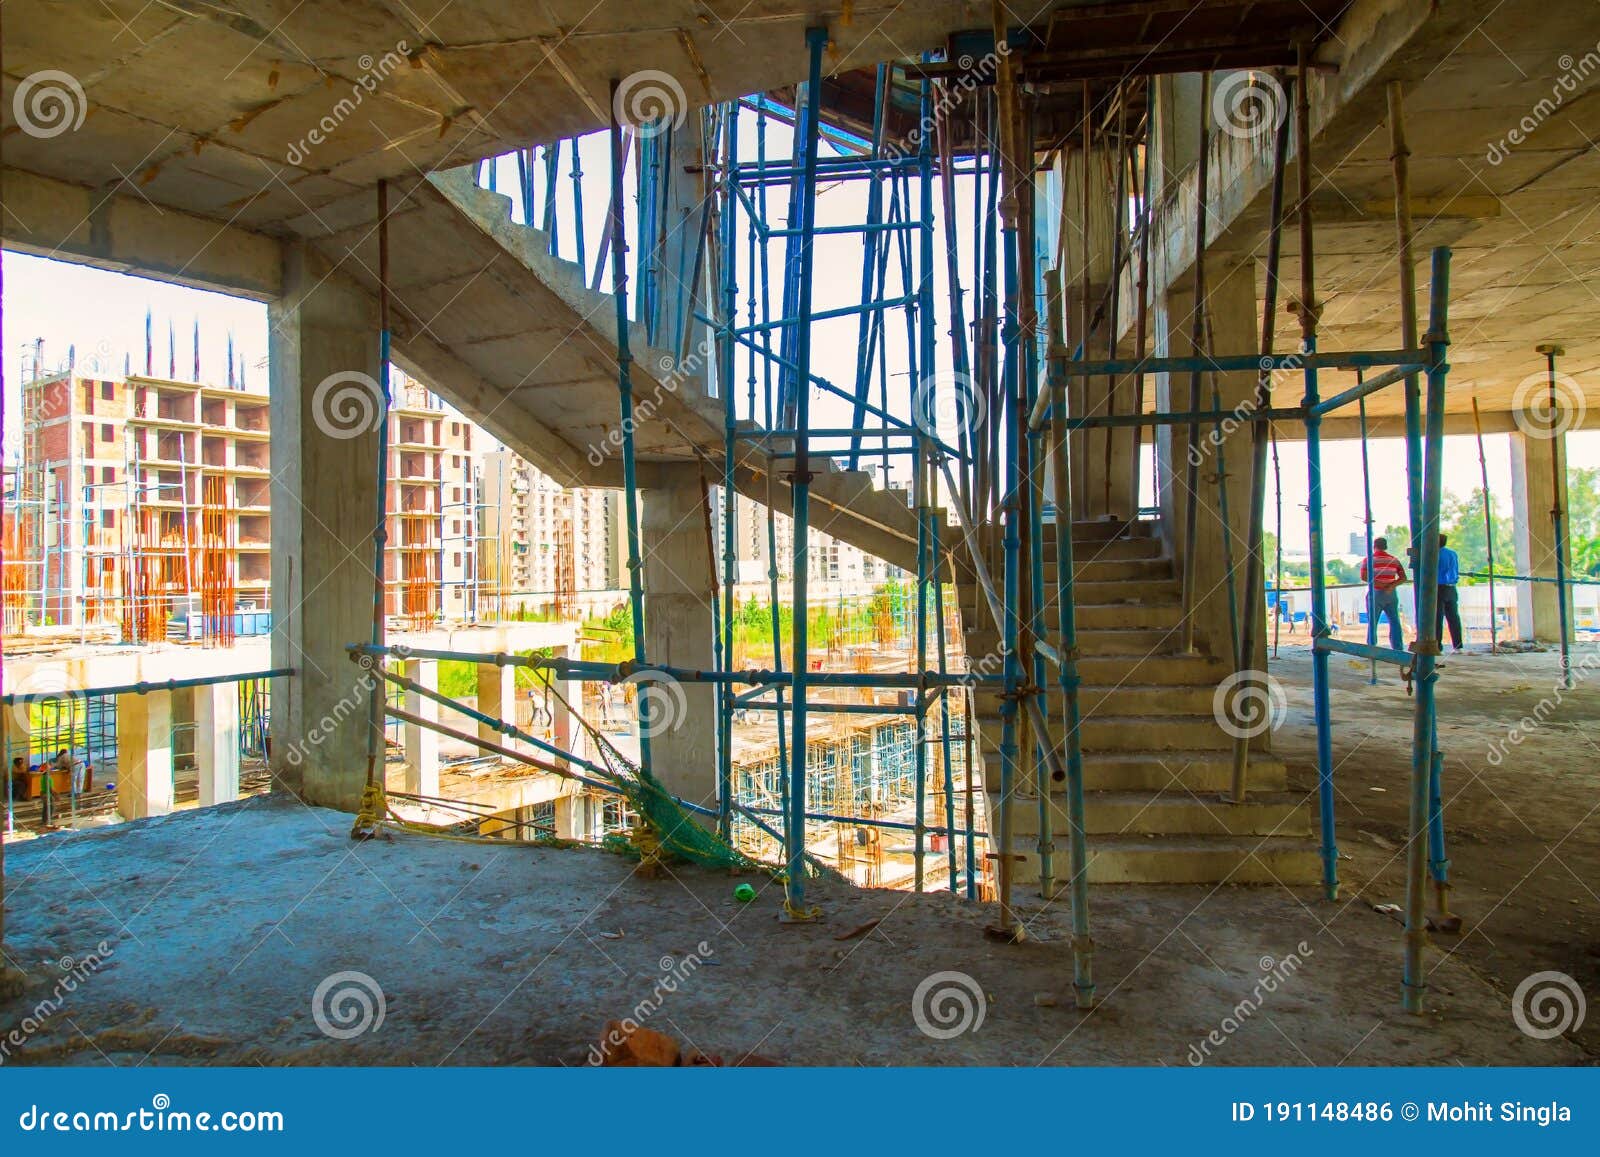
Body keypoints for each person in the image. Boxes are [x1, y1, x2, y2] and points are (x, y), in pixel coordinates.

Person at [1359, 536, 1408, 651]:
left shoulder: (1368, 560)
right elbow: (1403, 577)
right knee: (1394, 620)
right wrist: (1391, 586)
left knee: (1373, 621)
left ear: (1374, 546)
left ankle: (1371, 647)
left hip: (1375, 592)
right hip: (1391, 593)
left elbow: (1364, 576)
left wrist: (1378, 584)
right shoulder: (1394, 560)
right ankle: (1398, 648)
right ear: (1385, 547)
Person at [1436, 533, 1464, 653]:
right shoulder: (1453, 553)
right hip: (1452, 588)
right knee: (1453, 618)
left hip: (1438, 588)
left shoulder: (1434, 555)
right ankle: (1458, 646)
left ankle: (1437, 646)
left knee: (1437, 618)